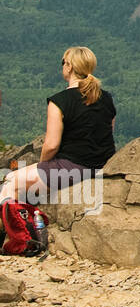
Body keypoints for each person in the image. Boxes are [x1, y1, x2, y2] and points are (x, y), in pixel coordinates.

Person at [0, 46, 116, 206]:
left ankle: (19, 228)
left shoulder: (59, 101)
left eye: (63, 62)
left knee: (11, 181)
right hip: (104, 166)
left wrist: (43, 166)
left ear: (70, 67)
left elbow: (51, 145)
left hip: (72, 168)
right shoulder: (107, 98)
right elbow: (108, 132)